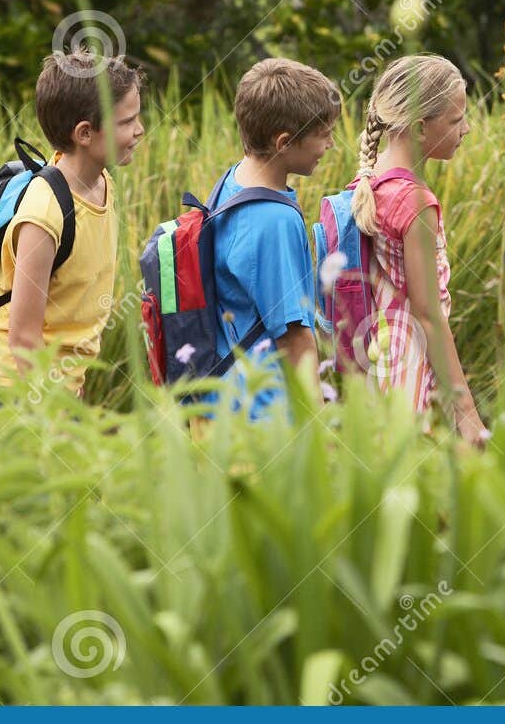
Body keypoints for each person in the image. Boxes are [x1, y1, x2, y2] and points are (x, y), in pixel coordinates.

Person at [0, 52, 145, 396]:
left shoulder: (101, 182)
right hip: (11, 389)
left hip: (57, 384)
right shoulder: (44, 213)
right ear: (84, 133)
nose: (139, 131)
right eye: (126, 122)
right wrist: (58, 413)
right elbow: (23, 338)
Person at [350, 55, 485, 445]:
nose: (468, 129)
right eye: (457, 120)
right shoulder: (416, 202)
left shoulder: (368, 186)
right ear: (422, 127)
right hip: (410, 376)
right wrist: (467, 413)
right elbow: (429, 317)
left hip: (375, 366)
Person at [208, 57, 338, 420]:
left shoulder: (233, 182)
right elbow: (293, 338)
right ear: (284, 143)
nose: (330, 144)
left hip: (227, 397)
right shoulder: (274, 219)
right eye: (323, 134)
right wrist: (317, 431)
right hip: (266, 413)